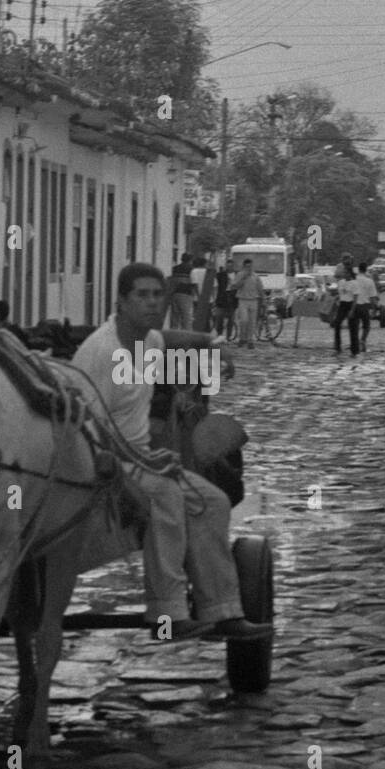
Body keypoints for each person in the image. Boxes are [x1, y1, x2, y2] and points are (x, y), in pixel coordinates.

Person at [71, 263, 269, 642]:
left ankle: (222, 611)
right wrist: (145, 461)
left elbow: (181, 352)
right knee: (165, 495)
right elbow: (88, 429)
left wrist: (214, 350)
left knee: (212, 501)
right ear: (121, 302)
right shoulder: (101, 352)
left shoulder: (151, 343)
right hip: (102, 462)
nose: (152, 303)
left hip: (142, 459)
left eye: (157, 295)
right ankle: (166, 615)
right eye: (141, 296)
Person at [232, 259, 264, 350]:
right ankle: (242, 338)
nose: (249, 268)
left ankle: (250, 340)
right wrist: (244, 278)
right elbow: (235, 286)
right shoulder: (239, 275)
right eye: (247, 266)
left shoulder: (256, 276)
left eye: (250, 266)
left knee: (252, 322)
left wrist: (263, 300)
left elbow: (260, 288)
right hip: (243, 300)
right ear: (244, 267)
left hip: (254, 300)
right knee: (244, 320)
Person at [333, 259, 359, 357]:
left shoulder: (354, 283)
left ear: (349, 273)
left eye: (345, 272)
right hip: (342, 305)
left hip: (351, 304)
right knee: (337, 324)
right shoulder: (341, 282)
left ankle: (354, 350)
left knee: (353, 328)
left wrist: (352, 310)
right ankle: (337, 348)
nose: (343, 274)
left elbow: (356, 297)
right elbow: (339, 294)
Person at [353, 261, 377, 353]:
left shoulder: (353, 279)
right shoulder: (369, 281)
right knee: (366, 326)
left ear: (358, 269)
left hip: (354, 306)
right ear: (366, 269)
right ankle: (362, 340)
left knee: (355, 325)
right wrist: (374, 309)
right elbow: (373, 297)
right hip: (364, 307)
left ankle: (355, 342)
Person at [169, 252, 195, 328]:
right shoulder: (192, 269)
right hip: (186, 294)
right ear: (190, 260)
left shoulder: (175, 268)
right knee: (186, 317)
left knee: (175, 318)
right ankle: (185, 337)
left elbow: (172, 282)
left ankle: (173, 336)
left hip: (175, 294)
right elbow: (193, 283)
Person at [212, 265, 236, 338]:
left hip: (230, 302)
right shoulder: (220, 276)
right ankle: (221, 335)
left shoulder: (236, 276)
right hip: (221, 302)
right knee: (220, 319)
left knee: (230, 320)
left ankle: (227, 336)